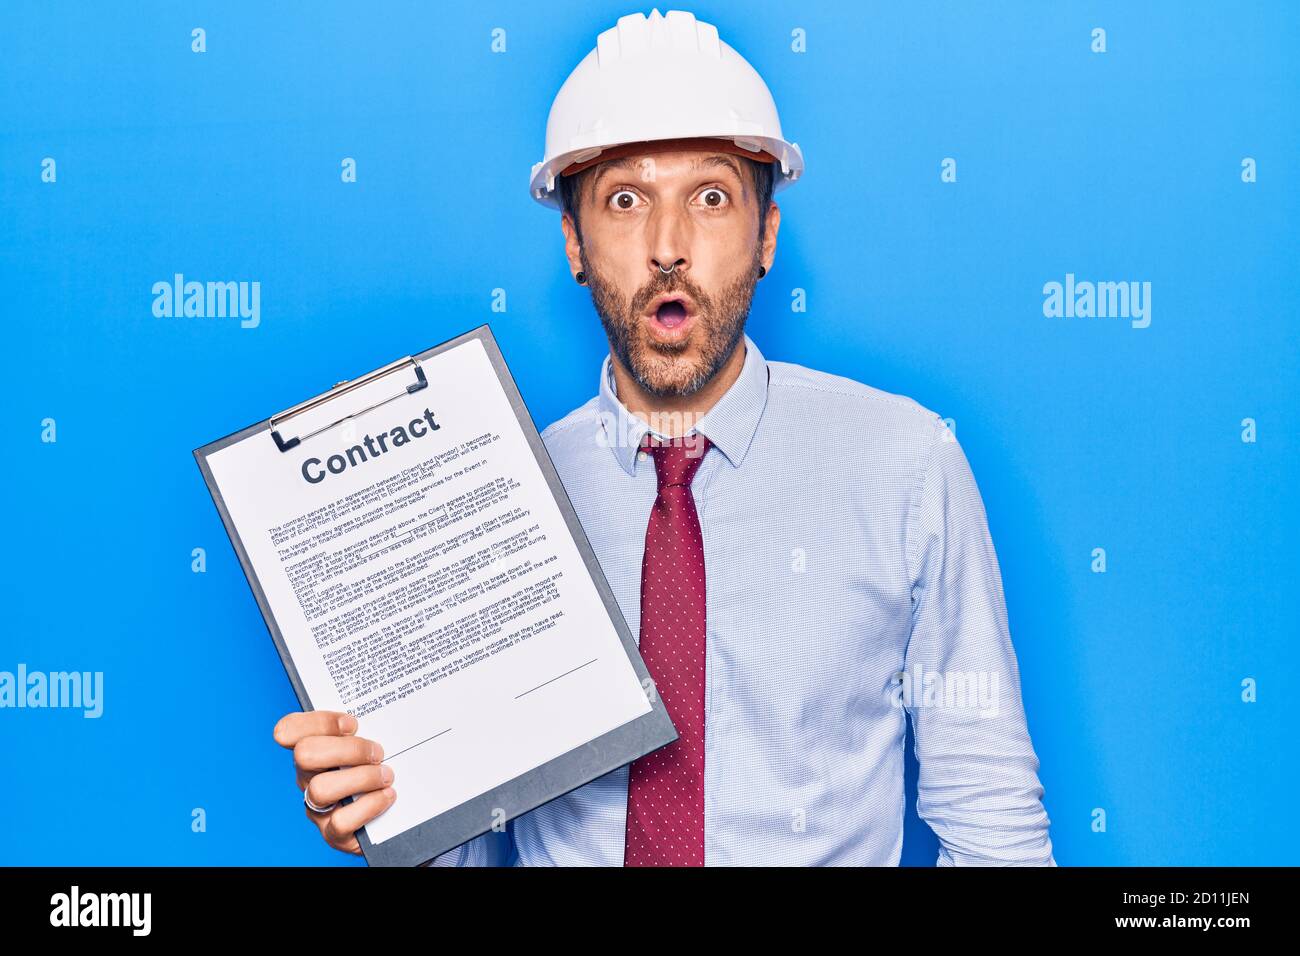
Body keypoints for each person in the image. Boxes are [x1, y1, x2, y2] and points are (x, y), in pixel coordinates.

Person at [272, 8, 1056, 866]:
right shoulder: (498, 503)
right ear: (574, 240)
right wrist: (392, 814)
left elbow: (993, 824)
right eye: (625, 200)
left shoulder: (904, 462)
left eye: (711, 198)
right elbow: (465, 851)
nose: (668, 247)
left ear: (766, 236)